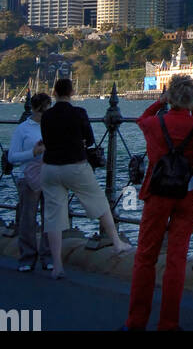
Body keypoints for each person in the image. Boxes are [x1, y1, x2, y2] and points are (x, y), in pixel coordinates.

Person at [124, 74, 193, 332]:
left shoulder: (155, 125)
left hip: (157, 193)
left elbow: (141, 119)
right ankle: (169, 323)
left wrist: (160, 102)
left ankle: (136, 321)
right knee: (177, 260)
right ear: (191, 99)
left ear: (170, 97)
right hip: (186, 193)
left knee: (146, 256)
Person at [39, 77, 131, 278]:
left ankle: (57, 265)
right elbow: (89, 140)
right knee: (99, 202)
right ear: (71, 93)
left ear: (54, 93)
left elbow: (46, 140)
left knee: (53, 218)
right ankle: (116, 243)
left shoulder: (46, 116)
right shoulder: (78, 113)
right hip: (74, 165)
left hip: (50, 167)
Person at [8, 92, 52, 271]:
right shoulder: (23, 129)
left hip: (49, 175)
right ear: (34, 109)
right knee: (28, 218)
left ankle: (47, 255)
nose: (44, 114)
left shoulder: (52, 127)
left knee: (50, 217)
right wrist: (32, 153)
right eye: (41, 111)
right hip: (28, 176)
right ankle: (27, 256)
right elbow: (12, 157)